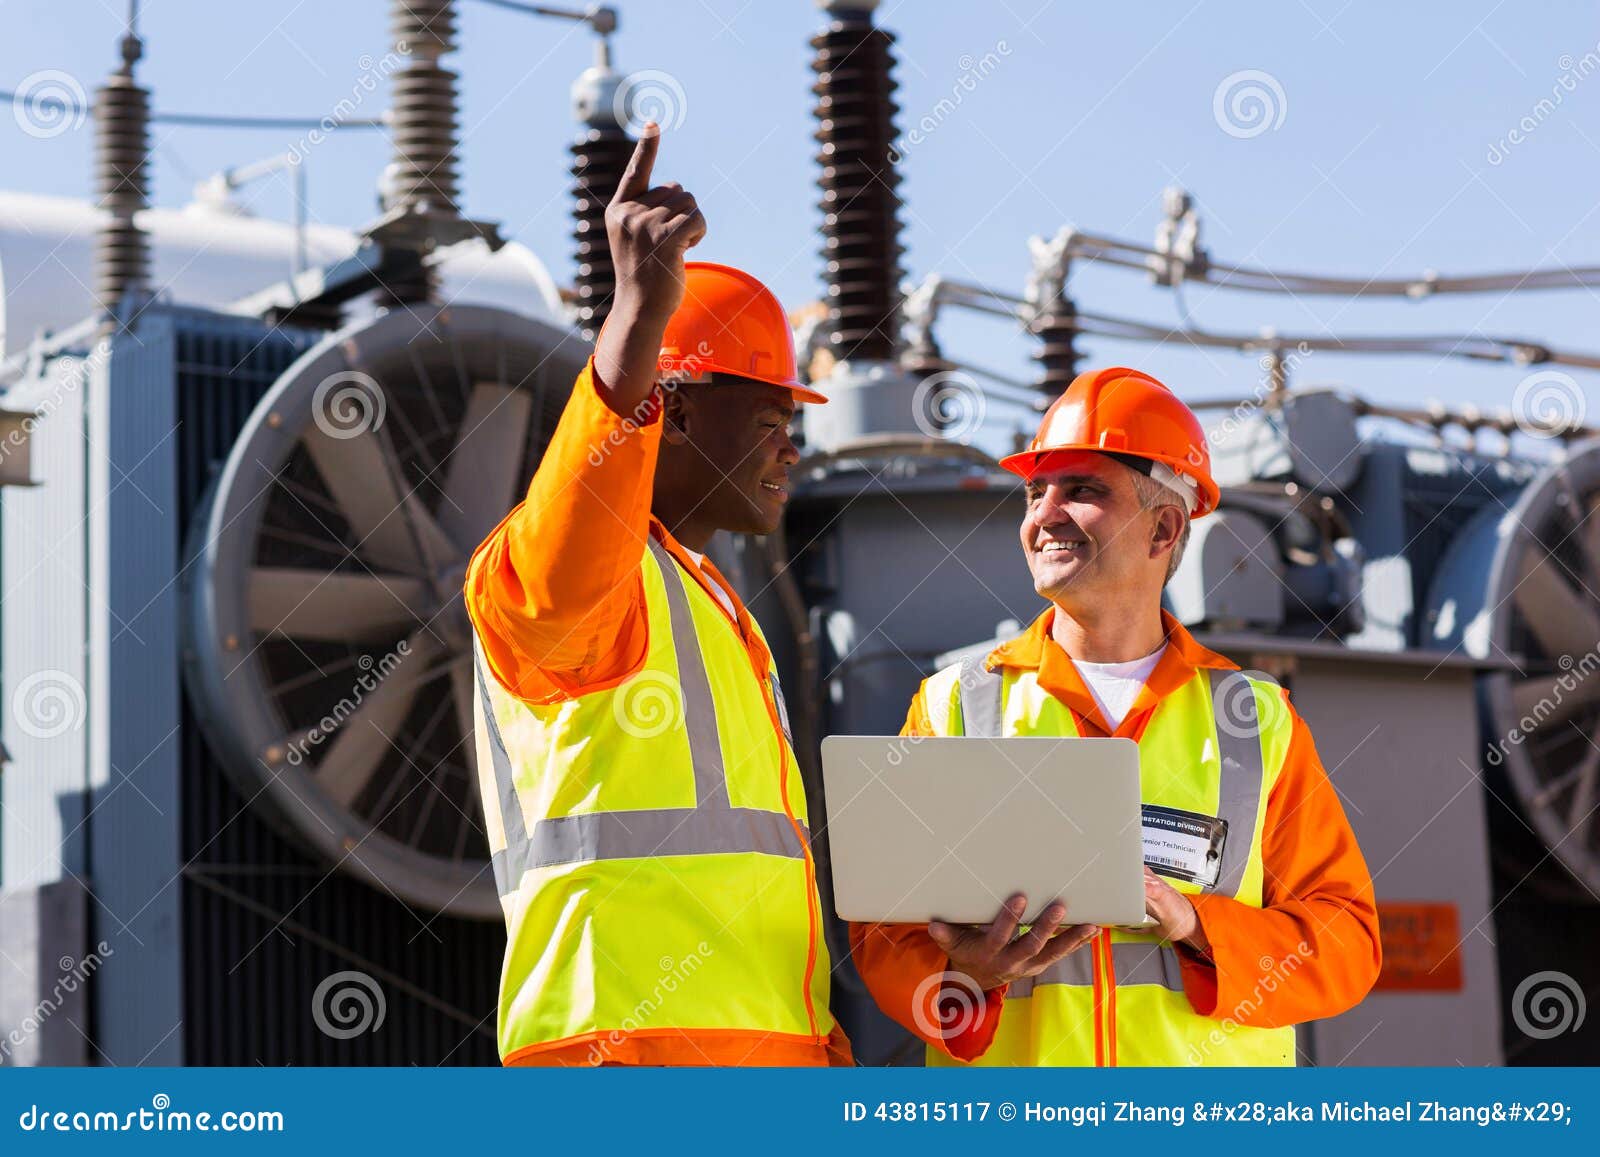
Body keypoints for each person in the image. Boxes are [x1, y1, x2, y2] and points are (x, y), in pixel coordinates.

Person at [850, 366, 1381, 1066]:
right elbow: (885, 935)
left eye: (1083, 490)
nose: (1044, 515)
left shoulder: (1254, 721)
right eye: (1036, 492)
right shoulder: (955, 704)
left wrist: (1195, 924)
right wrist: (965, 980)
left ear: (1164, 527)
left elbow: (1345, 940)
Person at [464, 124, 849, 1067]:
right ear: (671, 412)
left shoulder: (715, 608)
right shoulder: (570, 579)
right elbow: (570, 546)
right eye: (770, 420)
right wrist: (637, 314)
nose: (791, 450)